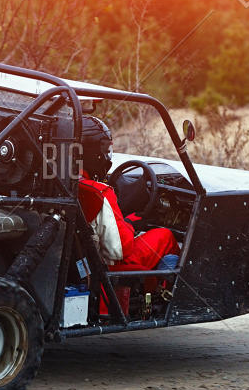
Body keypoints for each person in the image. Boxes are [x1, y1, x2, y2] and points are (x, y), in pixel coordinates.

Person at [76, 117, 180, 313]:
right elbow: (120, 249)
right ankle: (161, 301)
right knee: (165, 235)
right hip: (109, 266)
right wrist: (130, 223)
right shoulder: (99, 192)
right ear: (93, 154)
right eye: (105, 151)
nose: (107, 156)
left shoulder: (60, 184)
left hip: (83, 262)